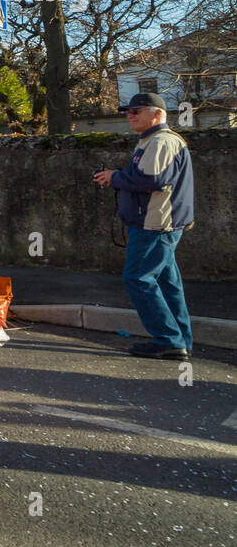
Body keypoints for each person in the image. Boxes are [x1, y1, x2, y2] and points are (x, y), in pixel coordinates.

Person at [93, 92, 195, 360]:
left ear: (158, 114)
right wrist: (117, 177)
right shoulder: (155, 141)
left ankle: (169, 340)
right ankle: (179, 339)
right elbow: (149, 179)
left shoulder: (161, 141)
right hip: (160, 223)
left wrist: (115, 177)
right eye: (128, 111)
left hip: (155, 224)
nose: (130, 115)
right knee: (166, 282)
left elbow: (151, 180)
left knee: (138, 277)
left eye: (137, 111)